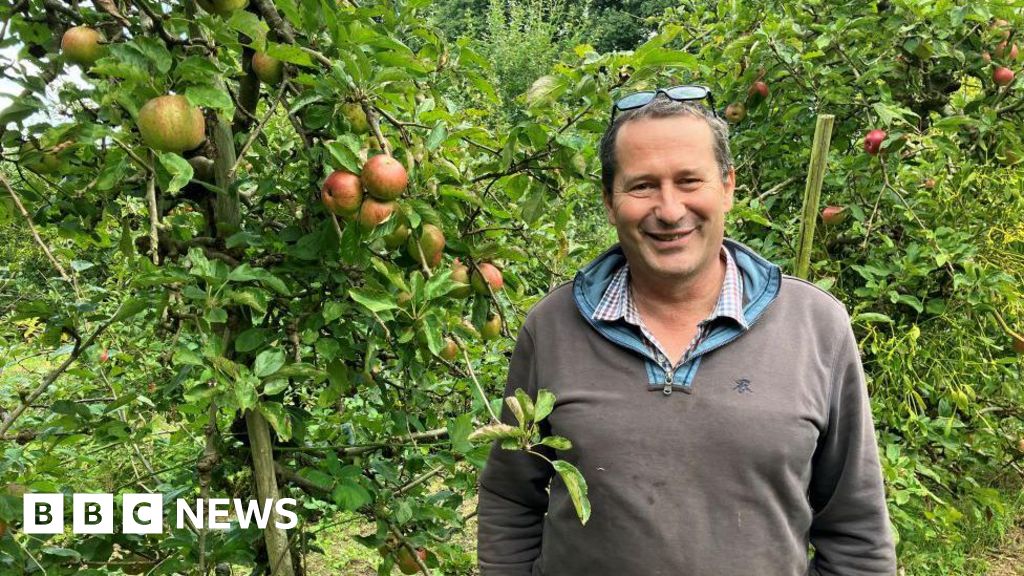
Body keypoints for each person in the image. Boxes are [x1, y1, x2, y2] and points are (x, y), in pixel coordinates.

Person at [476, 86, 897, 575]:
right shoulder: (553, 327)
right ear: (609, 202)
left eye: (689, 180)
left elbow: (855, 530)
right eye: (642, 186)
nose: (670, 209)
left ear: (728, 187)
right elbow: (511, 497)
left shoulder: (816, 326)